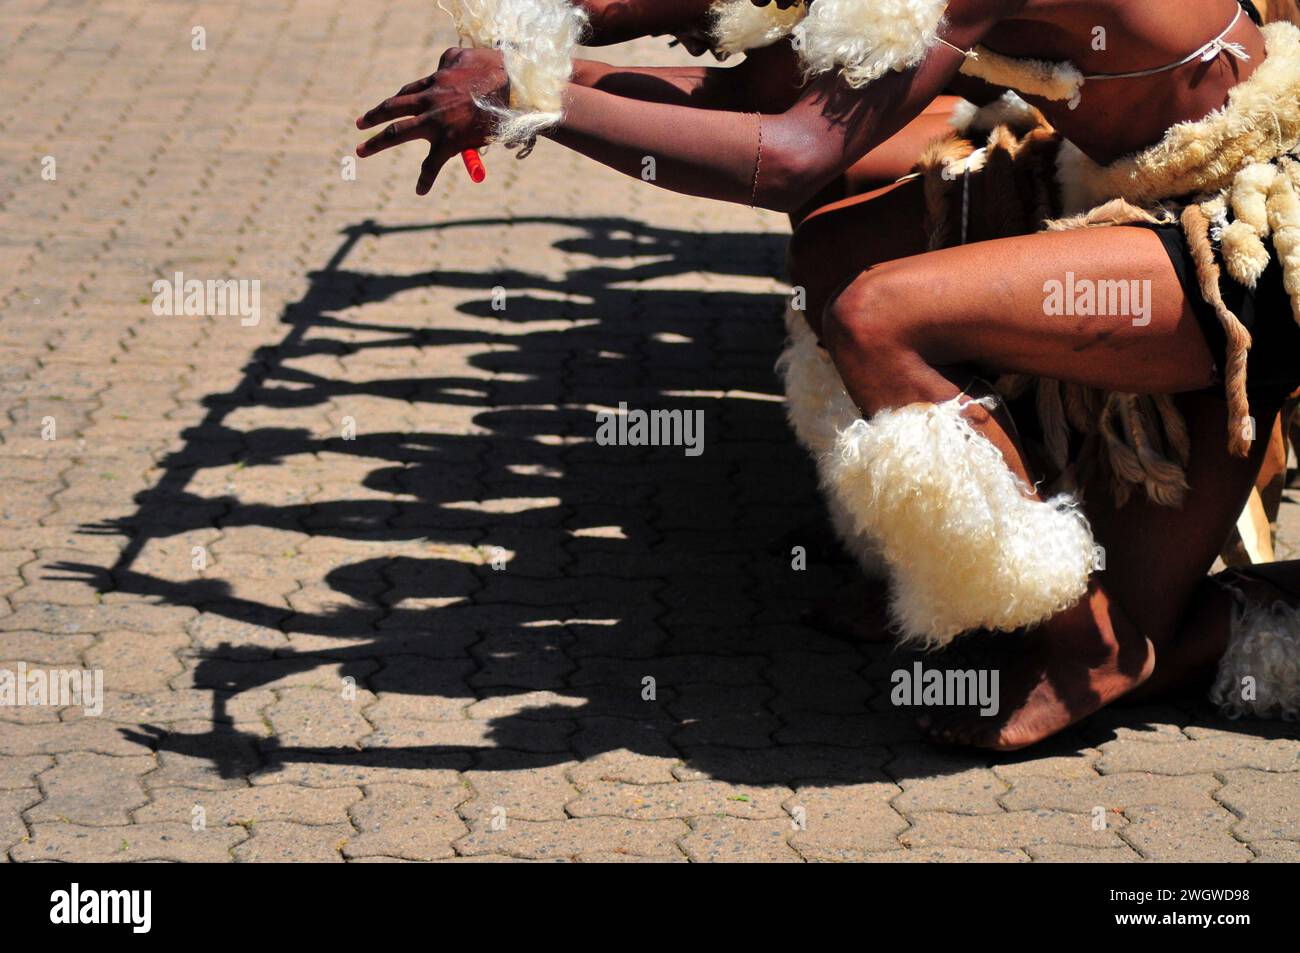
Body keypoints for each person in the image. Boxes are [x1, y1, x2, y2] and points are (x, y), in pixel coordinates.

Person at [356, 0, 1300, 749]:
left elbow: (790, 154)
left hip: (1250, 247)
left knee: (877, 311)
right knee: (852, 238)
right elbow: (764, 100)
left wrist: (536, 94)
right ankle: (1030, 597)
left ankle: (1082, 640)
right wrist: (543, 60)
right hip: (1124, 201)